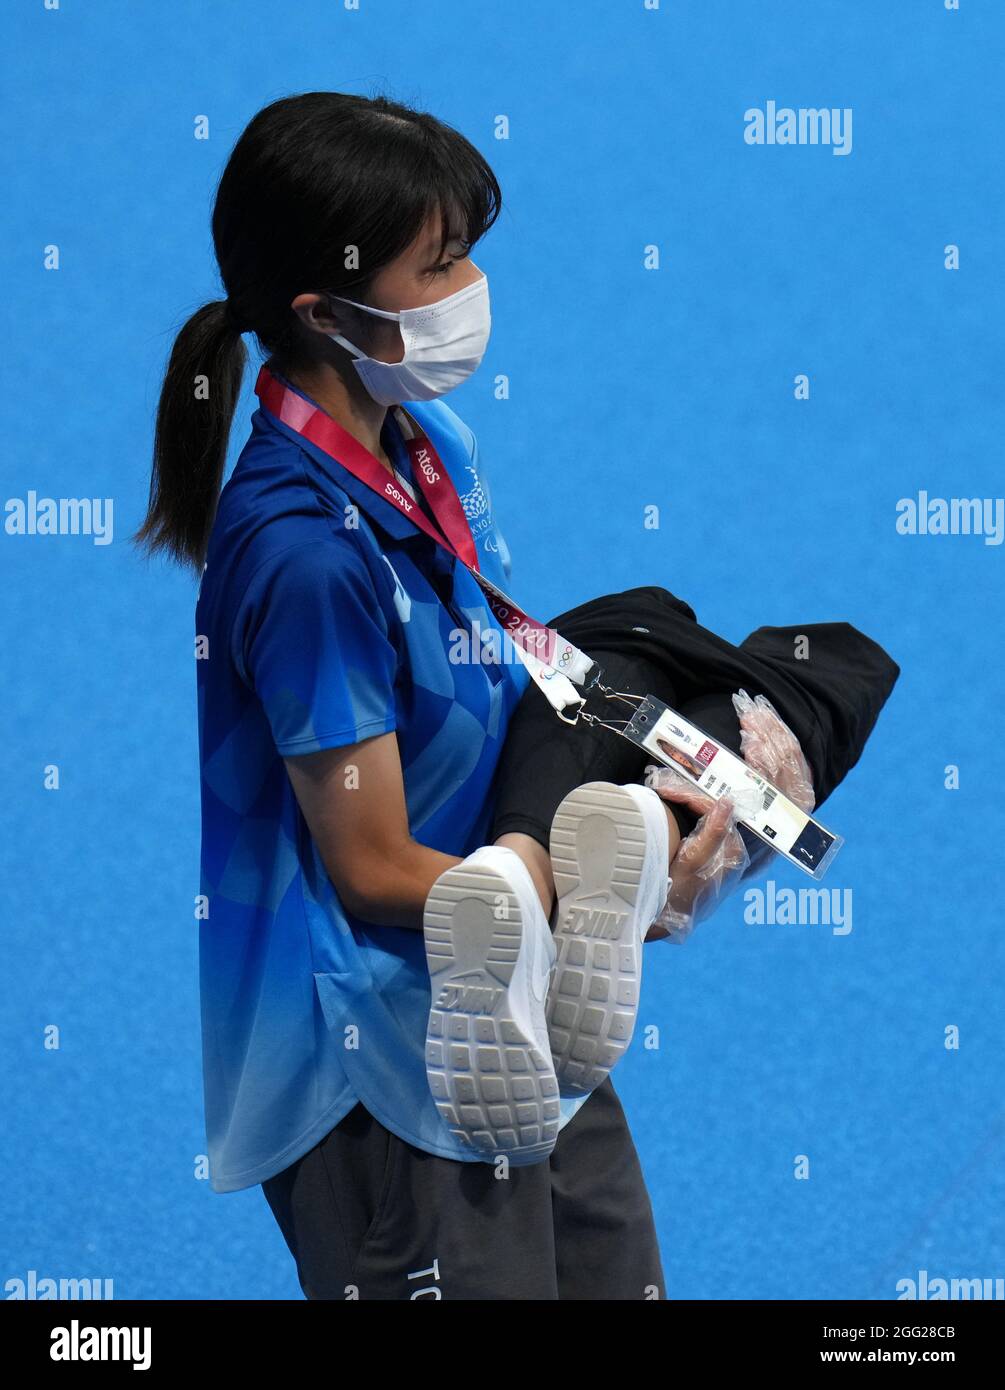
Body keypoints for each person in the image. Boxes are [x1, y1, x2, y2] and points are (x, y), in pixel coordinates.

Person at [135, 89, 898, 1301]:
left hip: (525, 1007)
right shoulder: (304, 557)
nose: (472, 285)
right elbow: (373, 864)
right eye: (441, 264)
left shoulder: (428, 443)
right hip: (381, 1061)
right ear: (328, 312)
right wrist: (567, 888)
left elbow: (503, 674)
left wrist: (657, 826)